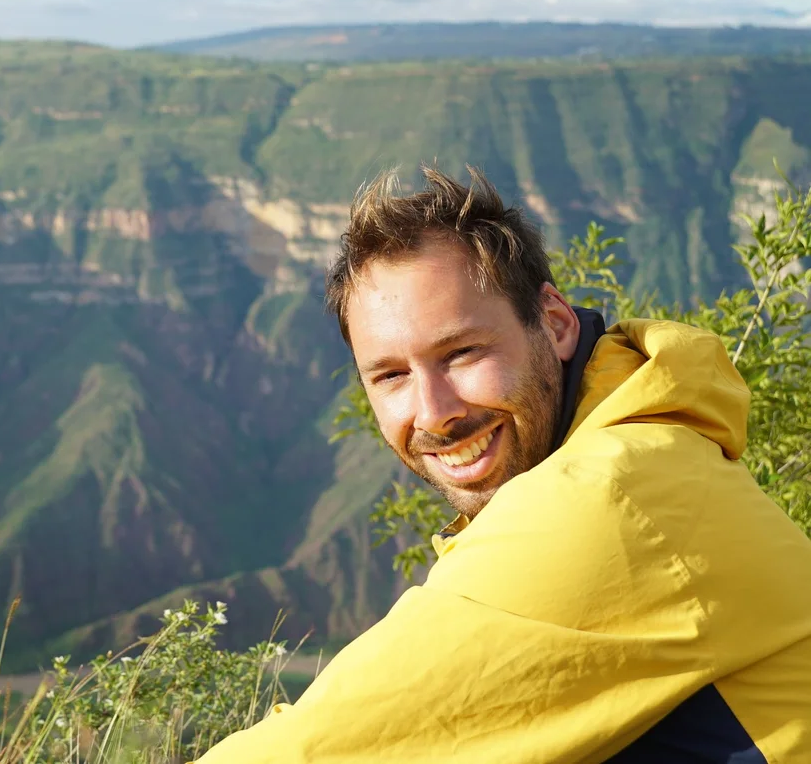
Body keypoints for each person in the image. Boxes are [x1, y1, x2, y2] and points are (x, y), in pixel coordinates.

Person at [197, 165, 811, 763]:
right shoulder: (642, 446)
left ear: (556, 322)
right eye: (391, 376)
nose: (434, 414)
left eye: (462, 353)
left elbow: (322, 748)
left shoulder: (607, 499)